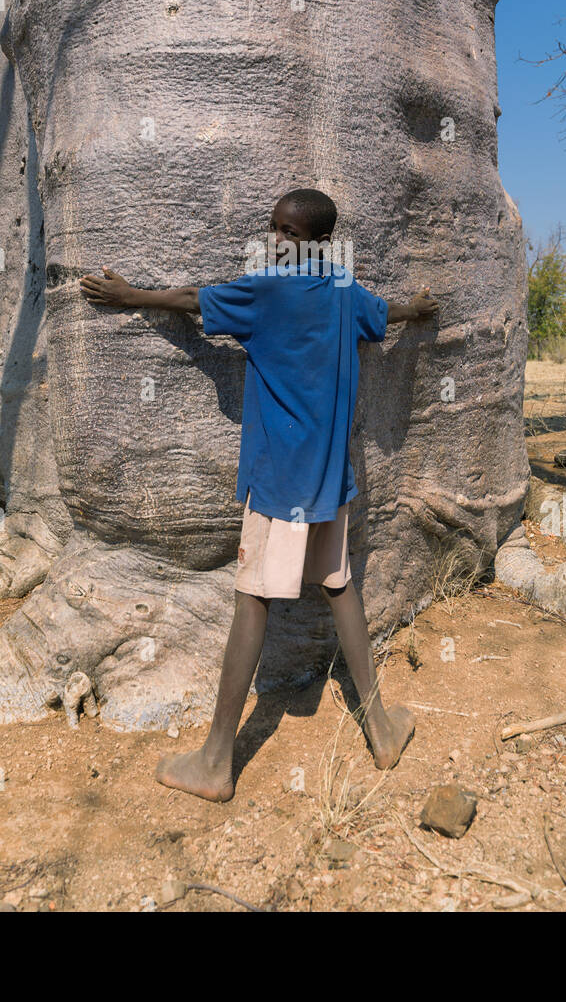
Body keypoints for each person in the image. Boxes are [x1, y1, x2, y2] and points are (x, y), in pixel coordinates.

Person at [80, 188, 438, 801]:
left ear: (318, 242)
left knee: (252, 600)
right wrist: (418, 308)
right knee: (338, 585)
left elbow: (193, 302)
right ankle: (379, 728)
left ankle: (217, 761)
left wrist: (128, 295)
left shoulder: (266, 291)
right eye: (274, 228)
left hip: (280, 484)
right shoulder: (345, 293)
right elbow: (386, 316)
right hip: (331, 481)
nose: (278, 241)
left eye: (291, 233)